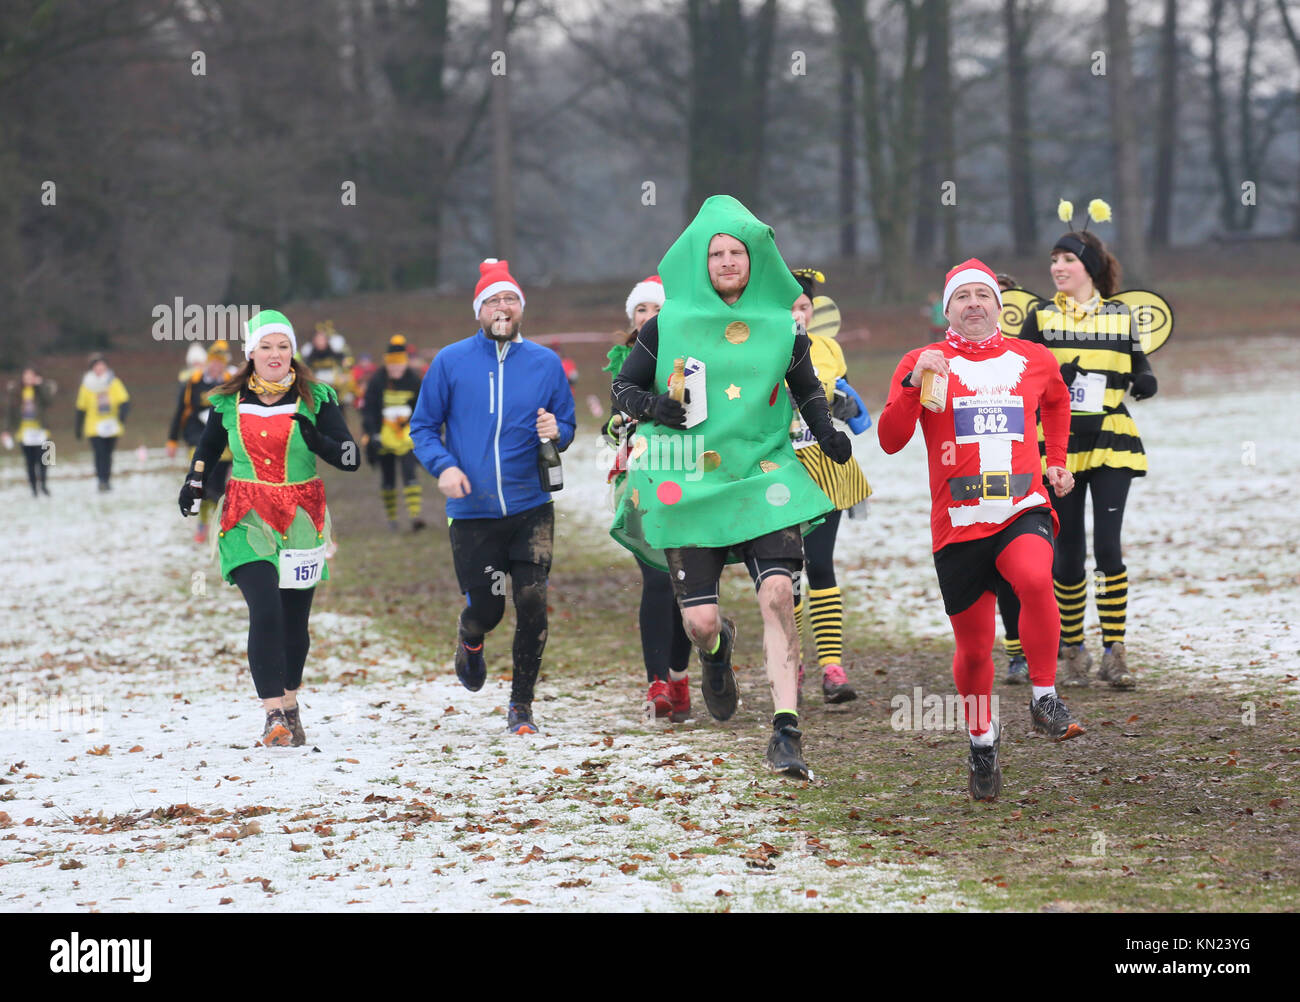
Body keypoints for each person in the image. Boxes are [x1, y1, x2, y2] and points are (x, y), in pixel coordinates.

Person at [610, 195, 853, 778]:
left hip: (763, 476)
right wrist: (656, 407)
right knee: (700, 622)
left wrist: (827, 432)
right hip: (689, 477)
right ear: (702, 261)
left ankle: (786, 731)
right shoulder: (668, 325)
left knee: (777, 596)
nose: (725, 262)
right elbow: (622, 388)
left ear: (754, 260)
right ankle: (716, 657)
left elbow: (807, 390)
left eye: (735, 253)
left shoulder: (780, 327)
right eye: (715, 253)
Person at [877, 258, 1085, 802]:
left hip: (1022, 507)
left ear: (999, 305)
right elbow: (891, 439)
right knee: (975, 650)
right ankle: (981, 739)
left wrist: (1056, 458)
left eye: (982, 295)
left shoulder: (1032, 359)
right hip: (959, 522)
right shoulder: (927, 363)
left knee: (1037, 578)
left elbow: (1058, 401)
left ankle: (1044, 695)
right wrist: (911, 382)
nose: (973, 303)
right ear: (947, 309)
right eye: (962, 296)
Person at [409, 259, 577, 735]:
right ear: (479, 311)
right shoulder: (451, 361)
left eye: (511, 300)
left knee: (531, 599)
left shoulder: (545, 363)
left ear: (521, 308)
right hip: (472, 509)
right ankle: (471, 637)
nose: (503, 307)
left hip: (531, 505)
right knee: (488, 609)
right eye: (493, 301)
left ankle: (521, 706)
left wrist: (557, 430)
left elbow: (566, 424)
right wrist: (445, 468)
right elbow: (422, 427)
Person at [178, 309, 359, 747]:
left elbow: (351, 457)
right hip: (246, 513)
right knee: (265, 609)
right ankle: (272, 713)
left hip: (301, 518)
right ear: (251, 353)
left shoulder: (317, 397)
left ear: (292, 352)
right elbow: (208, 446)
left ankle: (291, 702)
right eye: (266, 346)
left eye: (283, 346)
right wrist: (194, 480)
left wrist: (321, 442)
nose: (275, 354)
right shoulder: (229, 400)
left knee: (295, 619)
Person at [1012, 208, 1156, 689]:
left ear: (1089, 266)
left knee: (1108, 548)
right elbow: (1018, 376)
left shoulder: (1121, 316)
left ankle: (1115, 652)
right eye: (1053, 259)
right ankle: (1072, 649)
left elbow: (1138, 363)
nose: (1057, 267)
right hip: (1058, 447)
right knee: (1067, 552)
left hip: (1112, 442)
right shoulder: (1041, 318)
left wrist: (1145, 377)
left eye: (1067, 259)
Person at [602, 275, 694, 721]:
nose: (649, 317)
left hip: (689, 474)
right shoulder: (624, 361)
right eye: (641, 310)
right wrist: (616, 426)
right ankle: (656, 681)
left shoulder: (691, 357)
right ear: (631, 318)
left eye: (656, 309)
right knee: (657, 578)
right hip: (639, 479)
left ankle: (680, 674)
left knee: (687, 582)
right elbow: (610, 420)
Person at [787, 268, 872, 704]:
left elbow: (858, 416)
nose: (797, 315)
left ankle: (832, 669)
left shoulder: (828, 349)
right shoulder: (758, 345)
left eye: (803, 307)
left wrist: (846, 403)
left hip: (824, 469)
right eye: (789, 307)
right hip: (777, 472)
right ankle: (791, 663)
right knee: (786, 574)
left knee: (820, 565)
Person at [166, 340, 236, 543]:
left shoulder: (231, 382)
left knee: (218, 484)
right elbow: (181, 410)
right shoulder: (194, 382)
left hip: (224, 441)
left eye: (220, 362)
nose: (216, 366)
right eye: (213, 362)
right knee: (200, 479)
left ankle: (218, 521)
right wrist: (172, 440)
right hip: (197, 437)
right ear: (207, 362)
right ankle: (202, 522)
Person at [361, 334, 426, 532]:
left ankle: (415, 516)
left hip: (406, 438)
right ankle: (392, 519)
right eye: (392, 366)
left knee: (409, 473)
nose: (396, 369)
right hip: (384, 437)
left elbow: (423, 409)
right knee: (388, 478)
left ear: (406, 364)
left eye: (399, 366)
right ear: (387, 364)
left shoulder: (414, 381)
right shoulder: (377, 381)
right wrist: (373, 434)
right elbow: (369, 409)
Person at [75, 354, 130, 492]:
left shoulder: (114, 383)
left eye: (102, 366)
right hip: (94, 426)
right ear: (92, 368)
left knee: (108, 453)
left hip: (111, 426)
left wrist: (122, 416)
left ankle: (107, 479)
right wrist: (78, 427)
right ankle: (101, 480)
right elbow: (81, 408)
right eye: (97, 366)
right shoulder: (86, 386)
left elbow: (124, 400)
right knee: (99, 453)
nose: (100, 369)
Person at [4, 365, 56, 497]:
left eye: (31, 376)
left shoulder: (40, 390)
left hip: (41, 432)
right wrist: (6, 430)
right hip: (24, 433)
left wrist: (41, 385)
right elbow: (10, 413)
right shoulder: (16, 392)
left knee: (45, 460)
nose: (28, 379)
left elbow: (49, 401)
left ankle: (44, 485)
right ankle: (33, 488)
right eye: (26, 376)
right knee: (30, 462)